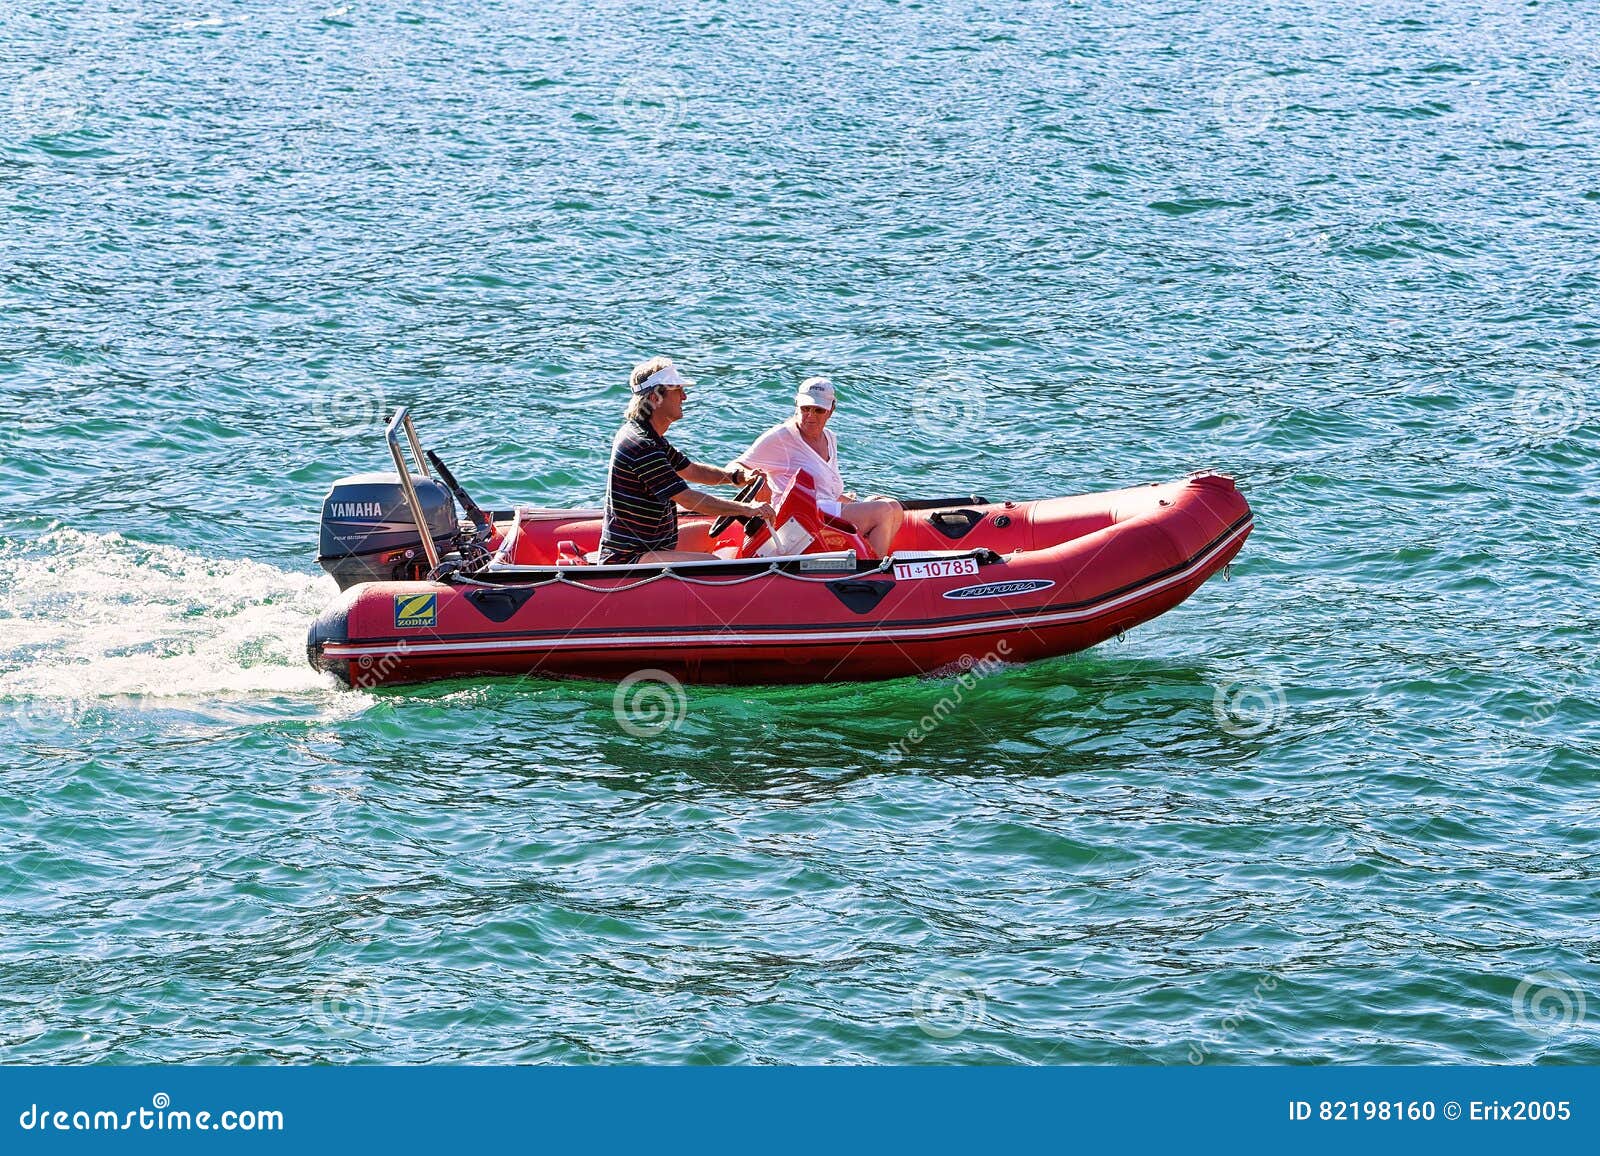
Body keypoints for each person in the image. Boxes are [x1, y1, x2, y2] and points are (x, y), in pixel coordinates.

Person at [598, 356, 775, 564]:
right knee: (713, 564)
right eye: (678, 390)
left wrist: (736, 477)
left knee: (708, 533)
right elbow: (688, 499)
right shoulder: (642, 445)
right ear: (655, 398)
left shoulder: (649, 436)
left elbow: (692, 471)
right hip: (629, 557)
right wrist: (747, 509)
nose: (684, 397)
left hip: (653, 544)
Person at [730, 376, 904, 557]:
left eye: (818, 410)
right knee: (883, 511)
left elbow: (824, 491)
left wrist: (852, 503)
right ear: (797, 405)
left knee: (894, 507)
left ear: (831, 410)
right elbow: (735, 466)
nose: (810, 415)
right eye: (805, 408)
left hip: (821, 513)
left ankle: (866, 558)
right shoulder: (780, 437)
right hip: (796, 520)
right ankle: (873, 569)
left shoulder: (829, 437)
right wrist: (750, 477)